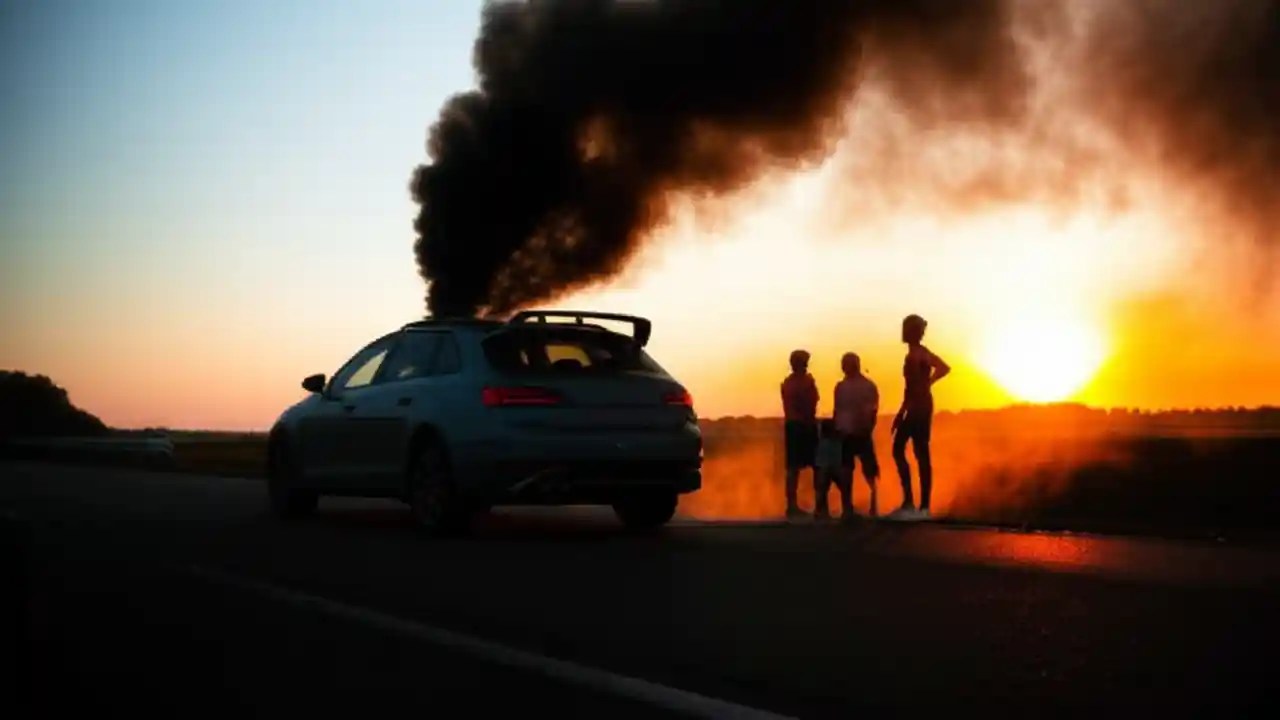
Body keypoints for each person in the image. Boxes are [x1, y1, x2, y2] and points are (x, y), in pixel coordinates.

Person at [890, 314, 950, 521]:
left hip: (921, 406)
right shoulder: (914, 354)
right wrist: (900, 413)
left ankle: (922, 505)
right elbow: (909, 388)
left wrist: (928, 383)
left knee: (919, 453)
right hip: (915, 405)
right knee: (901, 450)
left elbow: (944, 367)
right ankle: (911, 502)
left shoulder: (920, 353)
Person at [833, 352, 881, 518]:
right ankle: (849, 507)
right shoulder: (843, 387)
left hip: (859, 432)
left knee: (865, 470)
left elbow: (873, 411)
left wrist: (868, 427)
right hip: (850, 433)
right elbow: (837, 410)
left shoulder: (865, 386)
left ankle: (870, 505)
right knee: (849, 471)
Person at [780, 349, 819, 520]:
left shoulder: (787, 383)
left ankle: (792, 505)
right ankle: (819, 504)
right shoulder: (805, 382)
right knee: (816, 466)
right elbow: (811, 401)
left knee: (793, 468)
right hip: (803, 426)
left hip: (792, 425)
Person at [813, 418, 852, 522]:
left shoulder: (825, 442)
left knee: (823, 489)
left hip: (828, 466)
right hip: (830, 466)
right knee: (837, 488)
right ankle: (822, 512)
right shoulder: (833, 441)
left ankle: (821, 512)